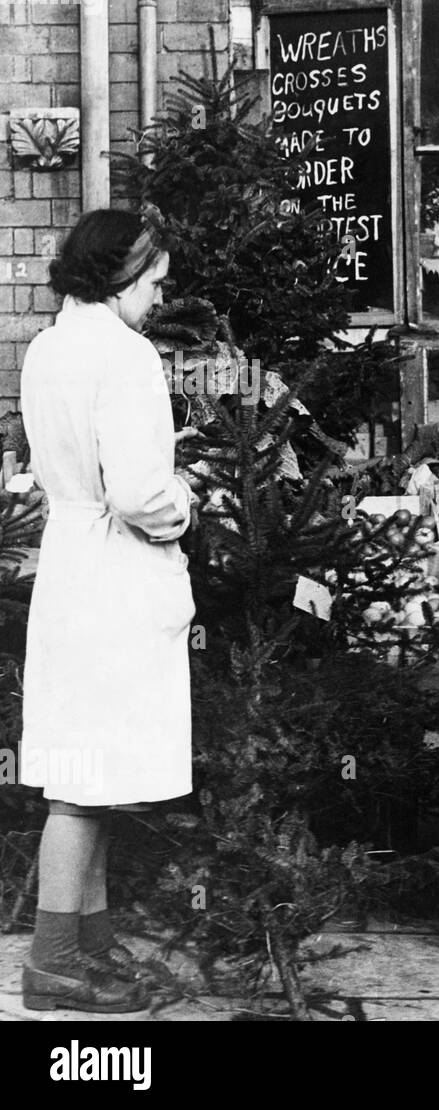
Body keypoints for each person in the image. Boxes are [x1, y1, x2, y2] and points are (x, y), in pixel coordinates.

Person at [19, 208, 197, 1013]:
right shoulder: (125, 357)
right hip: (114, 572)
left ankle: (88, 946)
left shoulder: (49, 348)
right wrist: (184, 504)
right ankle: (55, 962)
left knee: (82, 772)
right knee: (80, 784)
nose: (160, 297)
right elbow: (138, 494)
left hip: (70, 563)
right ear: (122, 275)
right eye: (155, 281)